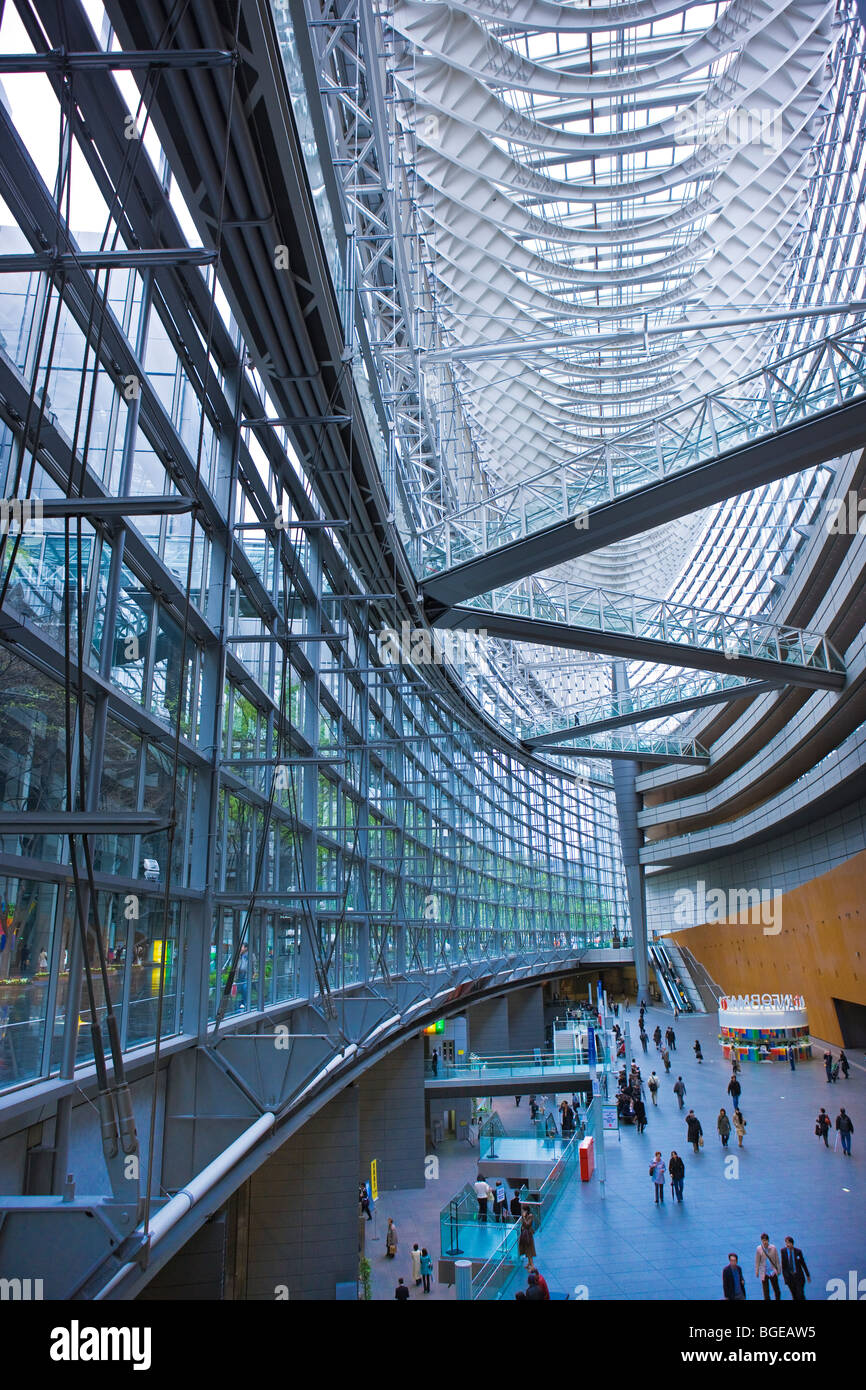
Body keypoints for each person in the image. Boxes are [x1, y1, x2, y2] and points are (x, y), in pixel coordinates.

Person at [755, 1234, 782, 1301]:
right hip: (764, 1272)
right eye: (763, 1240)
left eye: (766, 1240)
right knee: (766, 1293)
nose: (765, 1242)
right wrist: (757, 1270)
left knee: (777, 1290)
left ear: (768, 1240)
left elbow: (777, 1260)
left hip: (773, 1271)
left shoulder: (773, 1248)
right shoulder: (759, 1249)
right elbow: (757, 1261)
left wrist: (779, 1270)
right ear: (761, 1241)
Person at [518, 1205, 536, 1271]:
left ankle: (532, 1265)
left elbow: (527, 1225)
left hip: (528, 1235)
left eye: (523, 1210)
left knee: (529, 1250)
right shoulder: (525, 1216)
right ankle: (529, 1263)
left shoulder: (530, 1216)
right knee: (526, 1249)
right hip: (524, 1235)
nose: (522, 1212)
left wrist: (523, 1217)